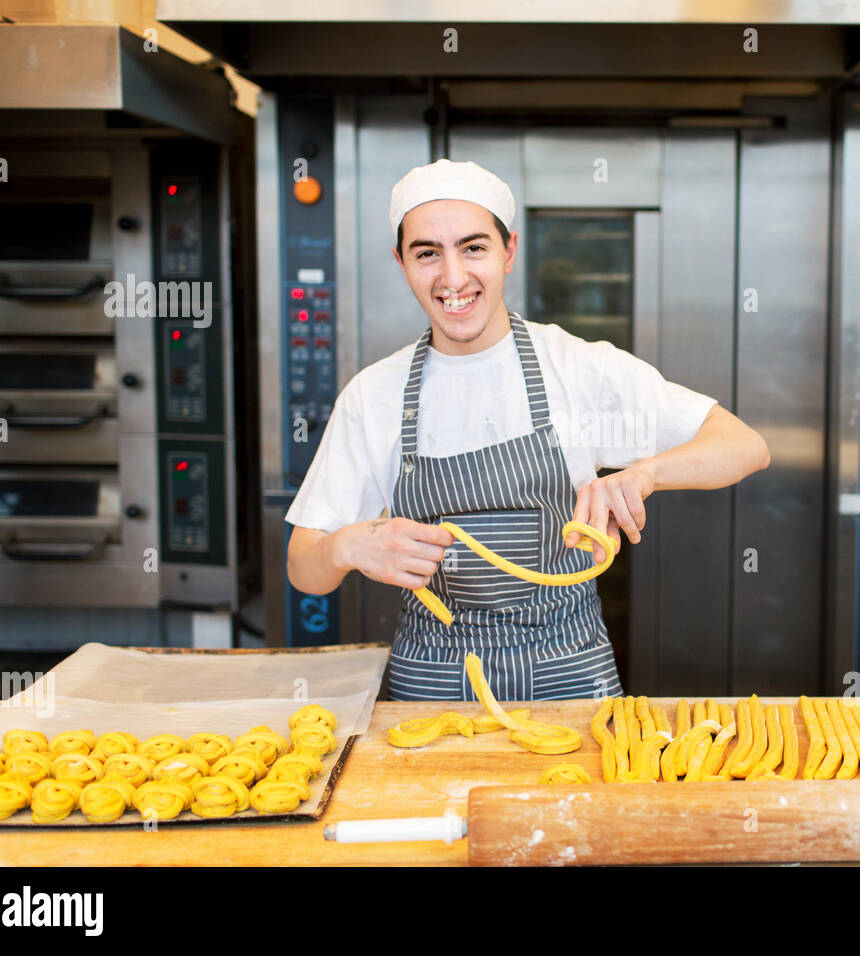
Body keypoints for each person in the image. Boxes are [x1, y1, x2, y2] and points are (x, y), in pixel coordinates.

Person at [286, 158, 770, 701]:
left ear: (508, 250)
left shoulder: (577, 368)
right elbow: (305, 568)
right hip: (433, 683)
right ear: (401, 262)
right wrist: (346, 548)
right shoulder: (374, 395)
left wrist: (644, 475)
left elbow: (745, 446)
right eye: (427, 253)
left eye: (474, 248)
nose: (452, 277)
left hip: (570, 673)